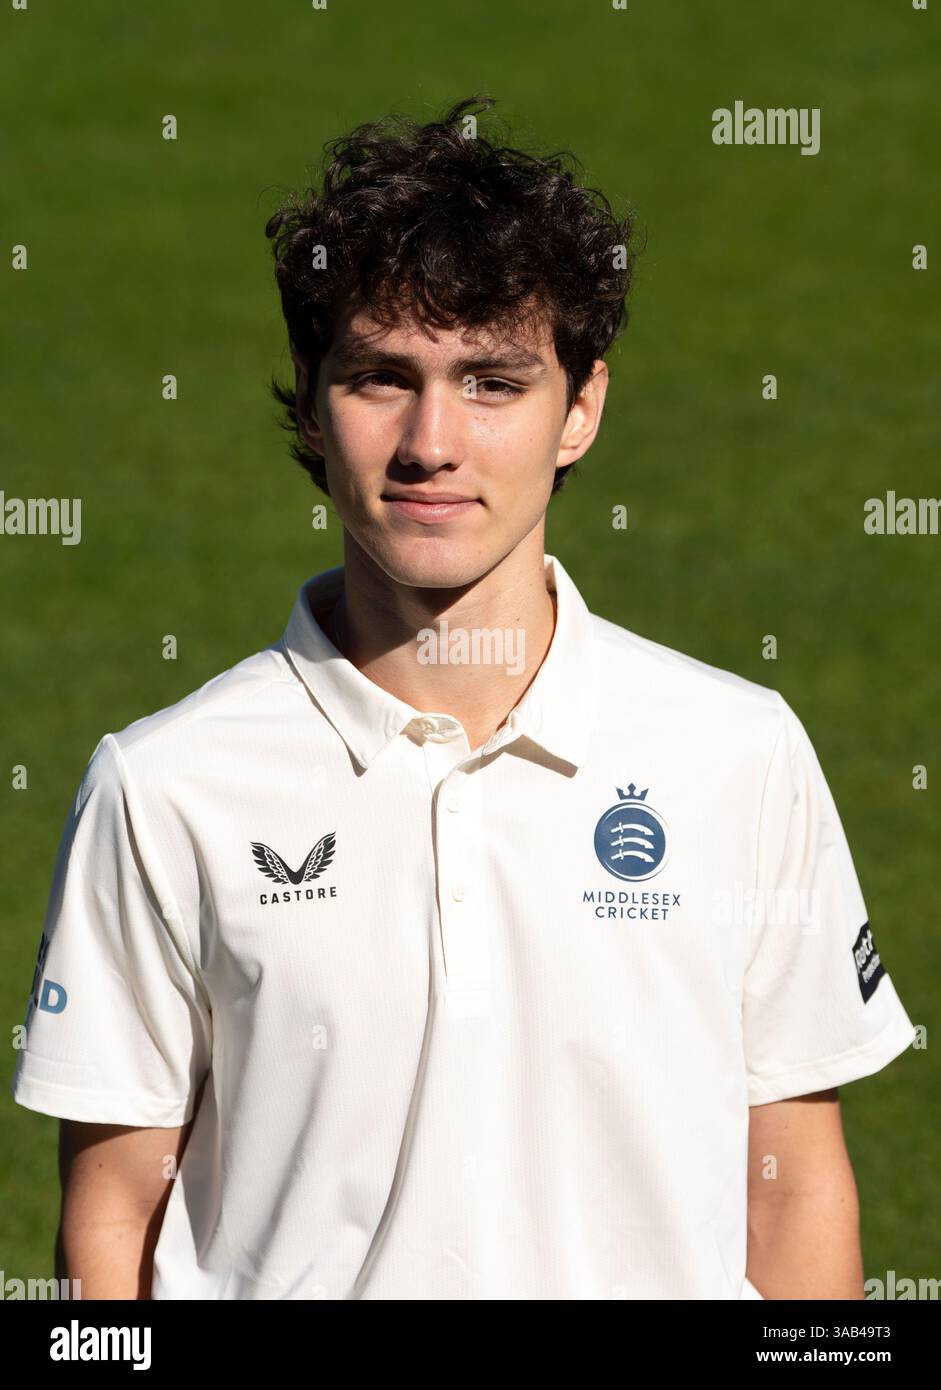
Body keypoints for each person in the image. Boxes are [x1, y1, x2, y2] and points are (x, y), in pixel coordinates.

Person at [12, 96, 916, 1300]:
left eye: (492, 383)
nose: (431, 441)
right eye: (382, 378)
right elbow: (114, 1214)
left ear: (579, 410)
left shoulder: (735, 753)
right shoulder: (168, 784)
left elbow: (794, 1183)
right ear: (311, 401)